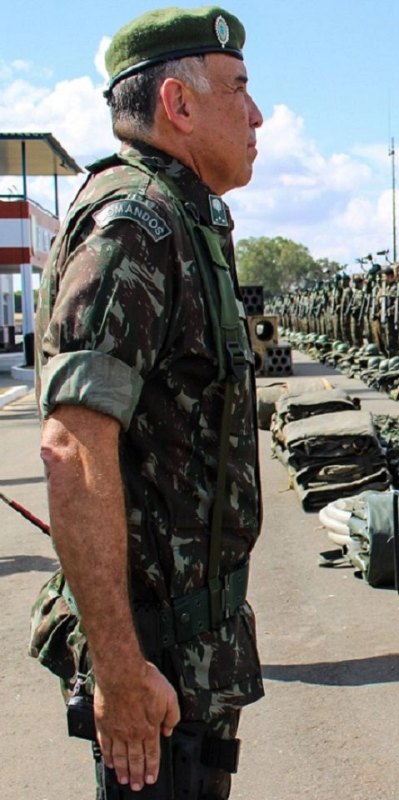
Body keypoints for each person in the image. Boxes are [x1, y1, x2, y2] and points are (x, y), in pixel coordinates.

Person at [31, 6, 265, 799]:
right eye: (238, 88)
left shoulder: (182, 217)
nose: (257, 114)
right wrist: (119, 672)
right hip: (153, 669)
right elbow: (72, 448)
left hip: (192, 658)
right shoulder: (137, 228)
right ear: (179, 103)